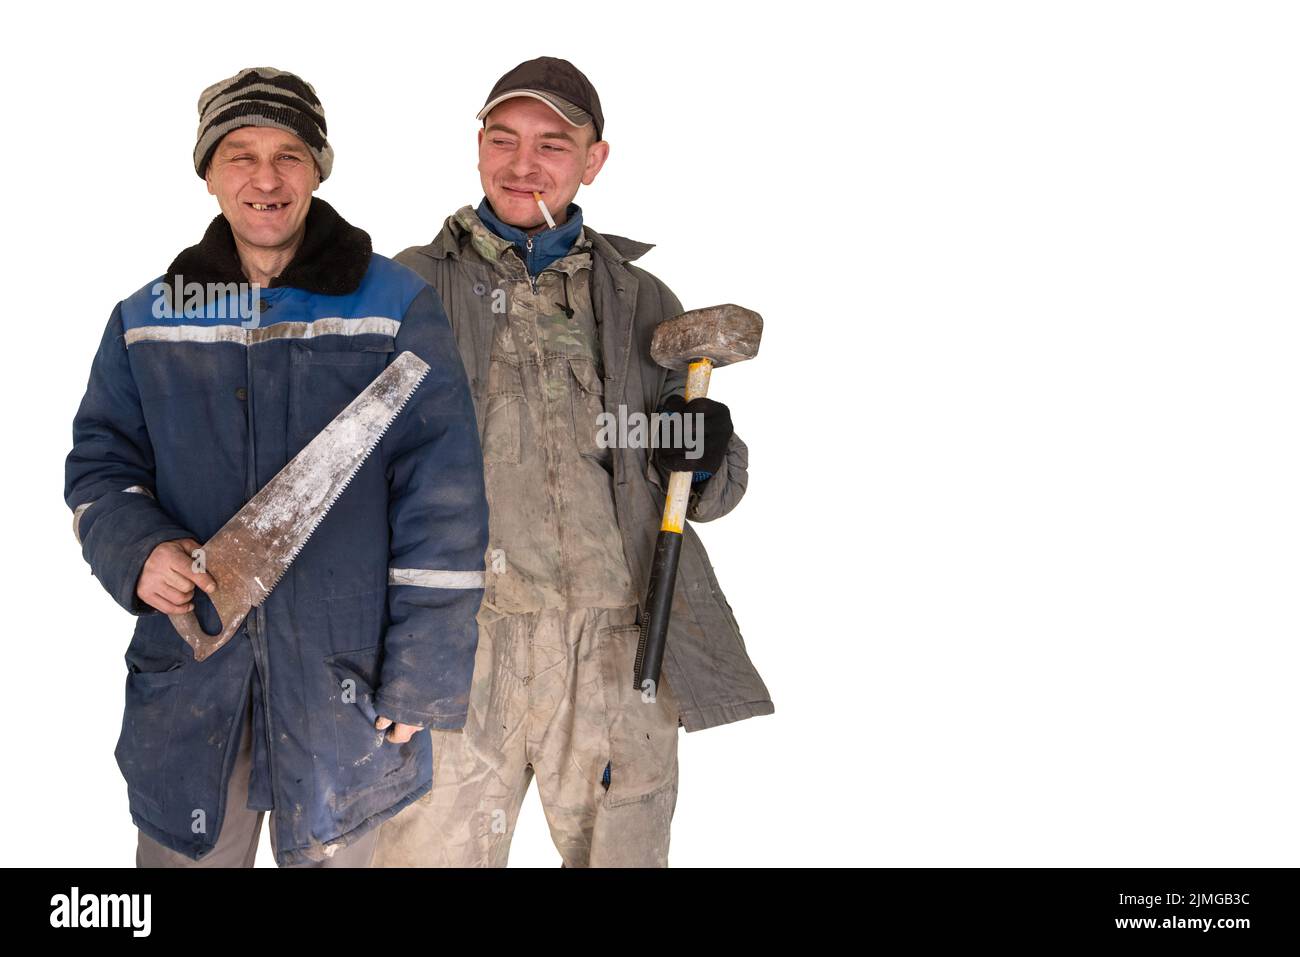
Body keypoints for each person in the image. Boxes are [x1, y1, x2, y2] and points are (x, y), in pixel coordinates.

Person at [65, 67, 488, 867]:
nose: (266, 178)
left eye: (289, 154)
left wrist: (423, 669)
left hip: (343, 696)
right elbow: (100, 469)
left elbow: (447, 496)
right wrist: (138, 548)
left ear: (318, 167)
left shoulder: (394, 306)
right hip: (192, 692)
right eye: (240, 154)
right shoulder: (148, 319)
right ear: (209, 172)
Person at [372, 57, 772, 868]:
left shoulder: (643, 300)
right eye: (503, 138)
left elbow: (704, 496)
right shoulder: (401, 288)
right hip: (457, 640)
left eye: (553, 144)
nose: (524, 165)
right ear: (477, 147)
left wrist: (709, 446)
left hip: (615, 642)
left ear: (594, 159)